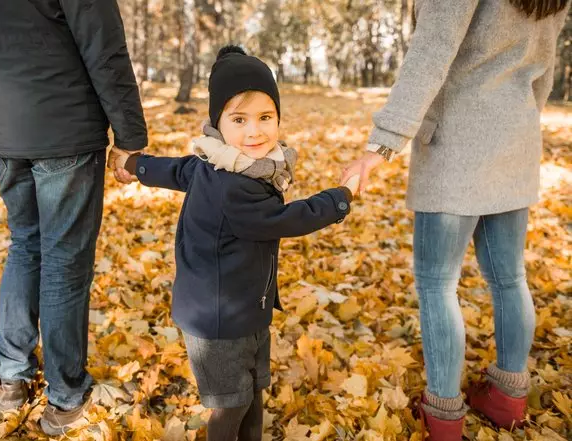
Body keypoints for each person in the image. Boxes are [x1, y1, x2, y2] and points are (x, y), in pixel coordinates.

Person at [340, 1, 570, 439]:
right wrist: (519, 121)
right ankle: (509, 398)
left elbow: (430, 54)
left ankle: (443, 415)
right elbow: (545, 65)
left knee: (437, 283)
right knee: (509, 278)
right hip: (516, 136)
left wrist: (382, 144)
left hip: (457, 146)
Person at [109, 45, 355, 441]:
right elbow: (288, 219)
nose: (254, 131)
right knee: (232, 402)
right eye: (239, 119)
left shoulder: (216, 160)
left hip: (246, 308)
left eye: (265, 117)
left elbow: (173, 169)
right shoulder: (231, 184)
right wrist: (339, 198)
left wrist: (134, 165)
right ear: (217, 123)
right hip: (218, 320)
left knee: (253, 392)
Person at [0, 0, 148, 435]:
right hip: (63, 126)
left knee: (26, 245)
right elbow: (104, 46)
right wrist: (130, 136)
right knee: (64, 263)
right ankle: (65, 394)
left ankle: (13, 374)